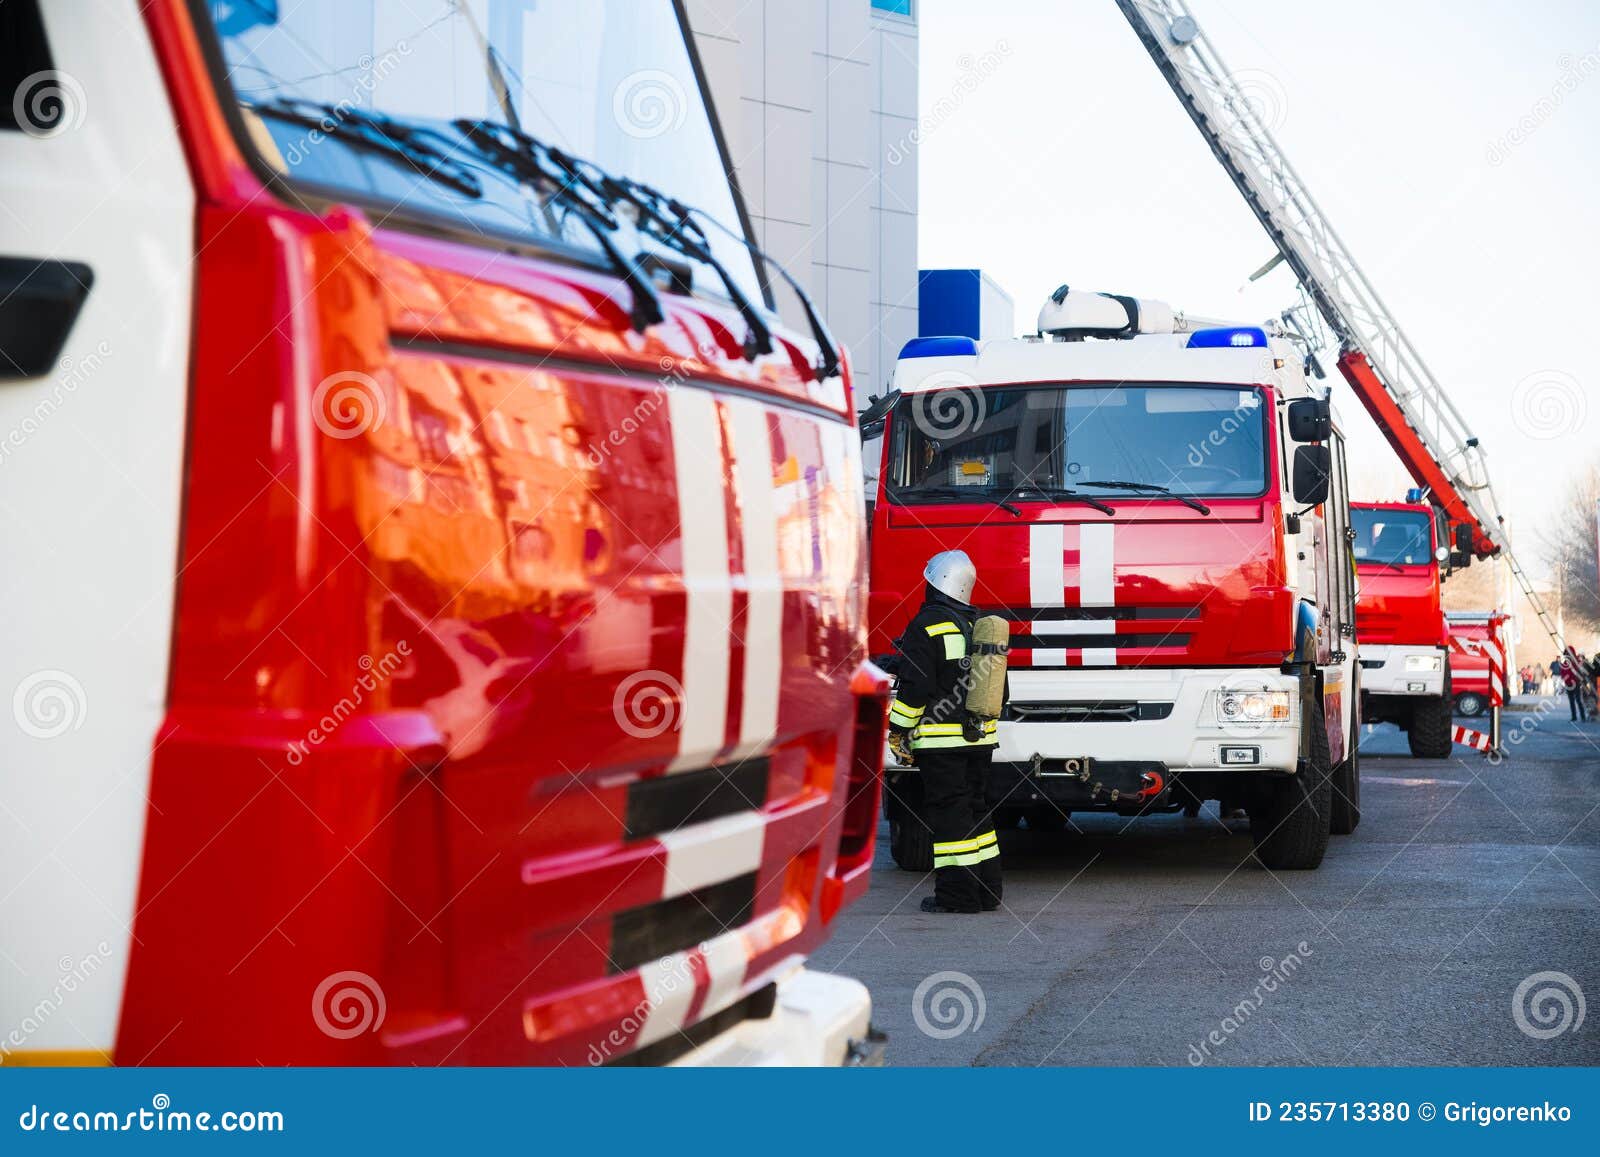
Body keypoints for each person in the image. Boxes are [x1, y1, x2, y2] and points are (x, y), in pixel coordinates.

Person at [887, 549, 1003, 914]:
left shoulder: (926, 625)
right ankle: (987, 890)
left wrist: (898, 730)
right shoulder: (977, 626)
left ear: (935, 583)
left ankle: (958, 897)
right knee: (976, 812)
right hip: (980, 738)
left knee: (950, 819)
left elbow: (917, 688)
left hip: (941, 743)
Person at [1560, 649, 1588, 722]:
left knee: (1578, 700)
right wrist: (1565, 679)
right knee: (1571, 701)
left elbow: (1580, 670)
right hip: (1568, 684)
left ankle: (1583, 716)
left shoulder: (1576, 662)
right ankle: (1574, 716)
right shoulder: (1565, 663)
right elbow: (1563, 672)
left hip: (1575, 683)